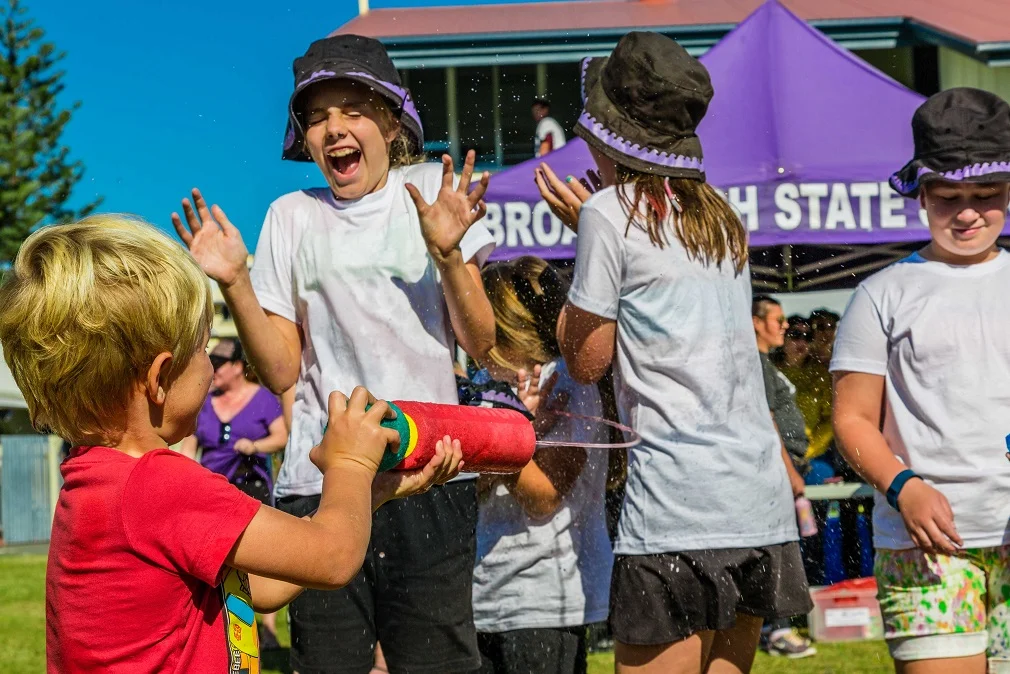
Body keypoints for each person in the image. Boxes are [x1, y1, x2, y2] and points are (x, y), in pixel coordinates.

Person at [0, 215, 462, 674]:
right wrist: (350, 462)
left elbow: (259, 584)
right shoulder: (159, 486)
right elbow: (333, 558)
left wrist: (373, 491)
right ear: (160, 378)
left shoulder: (96, 482)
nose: (211, 364)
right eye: (203, 348)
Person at [172, 34, 497, 674]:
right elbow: (284, 369)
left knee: (438, 664)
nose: (334, 129)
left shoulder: (431, 190)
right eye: (317, 118)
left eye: (352, 111)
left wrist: (450, 254)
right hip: (318, 481)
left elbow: (482, 344)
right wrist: (235, 281)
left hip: (425, 473)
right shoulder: (291, 215)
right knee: (327, 664)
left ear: (389, 119)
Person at [537, 32, 811, 674]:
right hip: (756, 502)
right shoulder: (721, 215)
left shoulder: (606, 213)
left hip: (675, 506)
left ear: (606, 138)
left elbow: (586, 361)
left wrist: (582, 244)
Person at [832, 87, 1010, 674]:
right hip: (924, 545)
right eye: (947, 197)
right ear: (920, 194)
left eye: (985, 196)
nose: (966, 212)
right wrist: (903, 486)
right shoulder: (881, 294)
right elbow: (852, 419)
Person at [472, 256, 613, 674]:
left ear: (506, 324)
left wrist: (507, 433)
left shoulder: (568, 381)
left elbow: (543, 496)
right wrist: (515, 430)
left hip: (545, 600)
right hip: (482, 593)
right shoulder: (485, 382)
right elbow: (466, 483)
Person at [180, 337, 288, 648]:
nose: (213, 369)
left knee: (261, 560)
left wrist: (256, 447)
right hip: (213, 491)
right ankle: (222, 629)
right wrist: (185, 478)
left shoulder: (264, 399)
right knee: (218, 562)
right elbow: (191, 446)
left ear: (238, 367)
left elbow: (281, 436)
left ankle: (266, 628)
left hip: (252, 490)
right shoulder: (204, 402)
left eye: (220, 364)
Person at [751, 295, 817, 659]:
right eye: (777, 320)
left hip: (783, 470)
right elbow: (766, 419)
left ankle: (774, 627)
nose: (785, 326)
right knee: (776, 552)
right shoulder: (756, 363)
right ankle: (776, 630)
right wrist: (789, 471)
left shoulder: (764, 362)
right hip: (776, 473)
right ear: (756, 322)